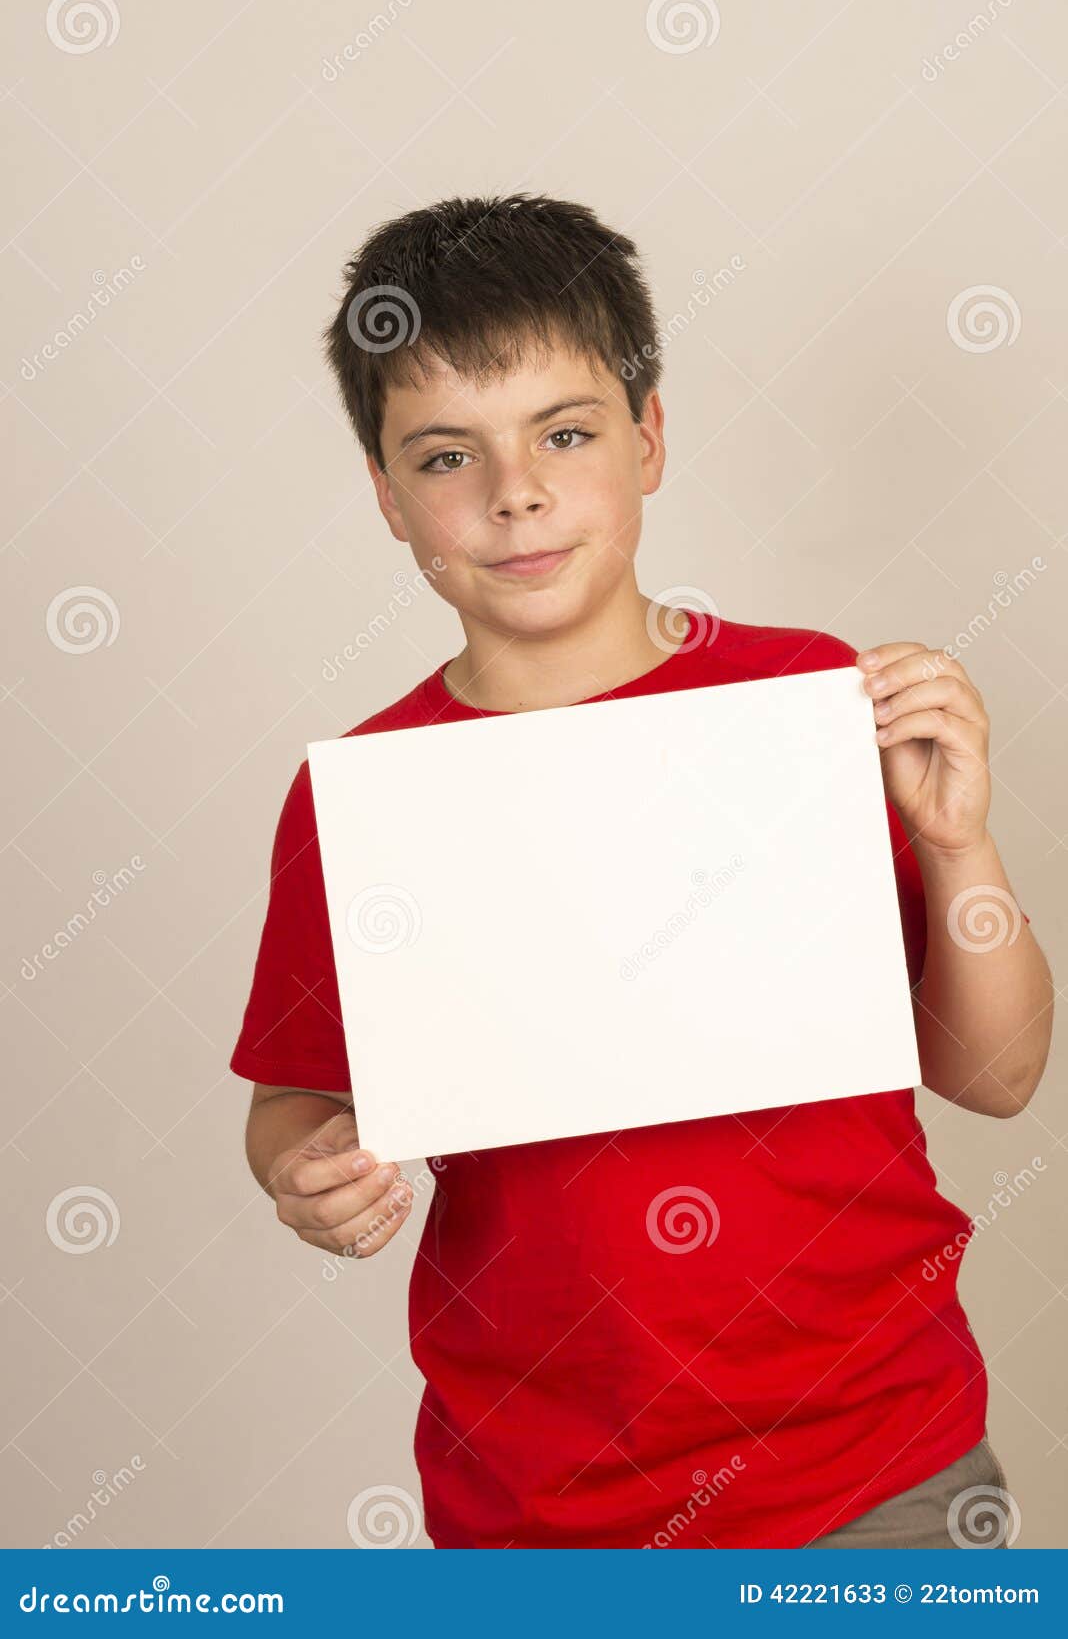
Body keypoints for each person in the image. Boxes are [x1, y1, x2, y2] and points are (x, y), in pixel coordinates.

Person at [229, 193, 1052, 1550]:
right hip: (537, 1511)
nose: (517, 493)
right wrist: (305, 1167)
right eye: (447, 455)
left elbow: (998, 1073)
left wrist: (960, 839)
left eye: (565, 431)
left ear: (648, 435)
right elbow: (298, 1095)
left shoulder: (799, 699)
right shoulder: (364, 796)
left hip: (876, 1471)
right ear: (385, 495)